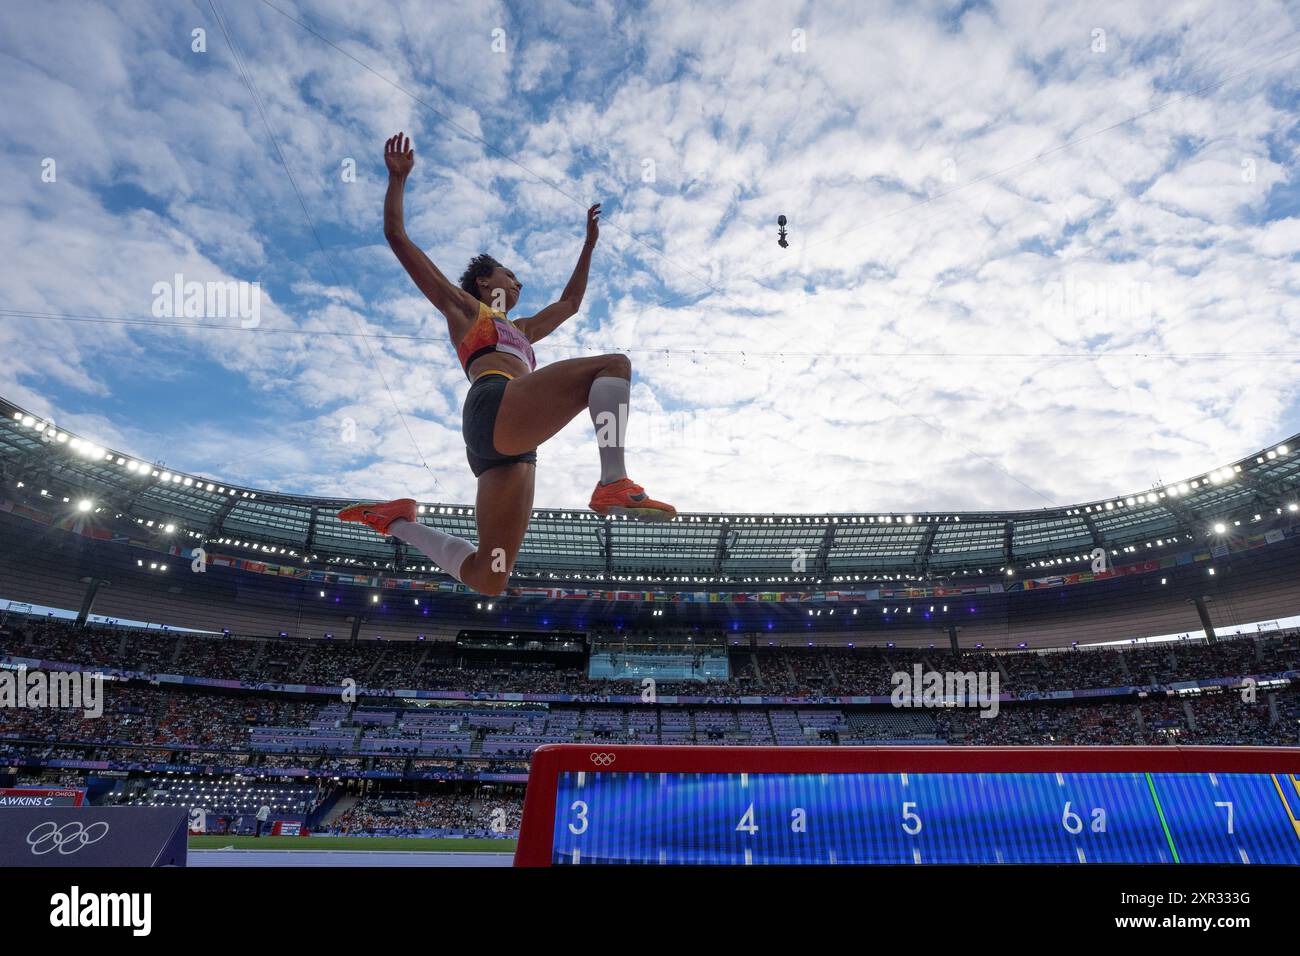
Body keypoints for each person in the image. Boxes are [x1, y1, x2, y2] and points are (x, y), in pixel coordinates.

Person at [339, 132, 676, 596]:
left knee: (490, 576)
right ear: (483, 281)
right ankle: (613, 480)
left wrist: (589, 245)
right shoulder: (463, 308)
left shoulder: (525, 330)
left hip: (509, 444)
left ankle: (396, 521)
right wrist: (397, 179)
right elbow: (397, 237)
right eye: (508, 274)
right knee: (612, 365)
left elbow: (572, 302)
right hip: (493, 405)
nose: (517, 280)